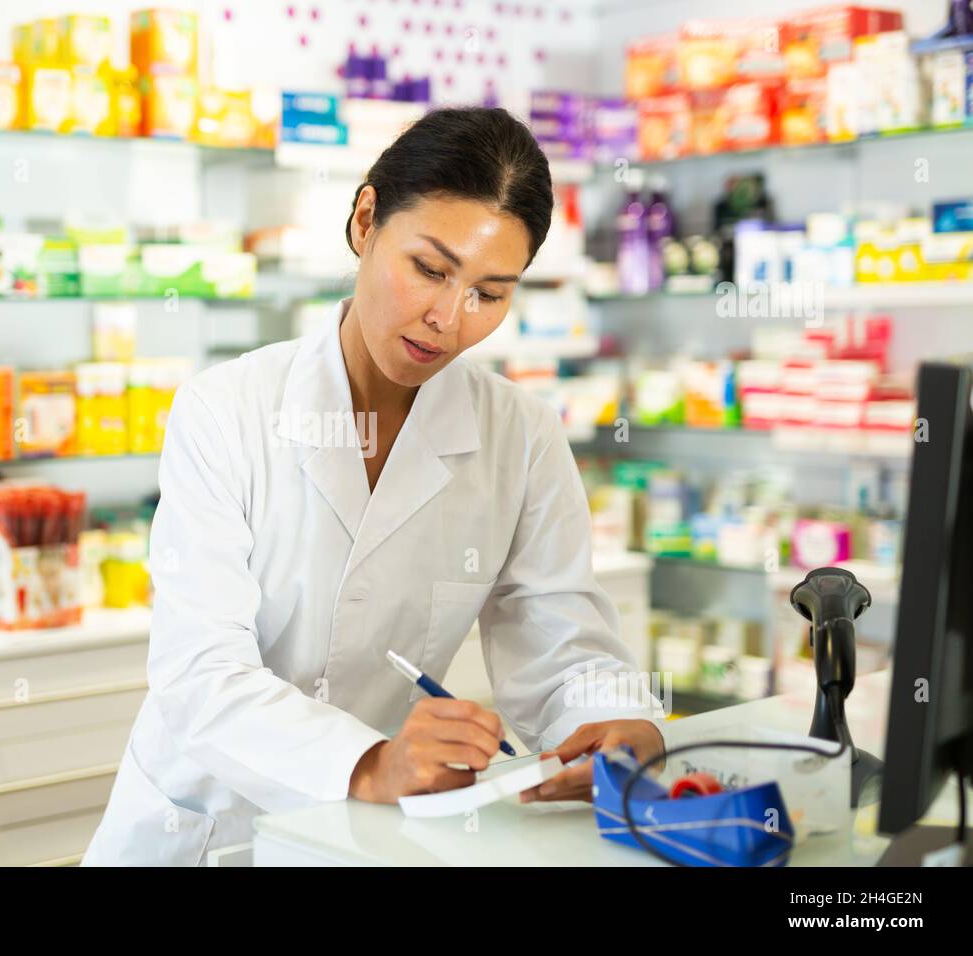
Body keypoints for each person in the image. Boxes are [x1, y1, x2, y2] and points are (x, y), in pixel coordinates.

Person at [82, 107, 666, 867]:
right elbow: (200, 676)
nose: (447, 319)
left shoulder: (520, 435)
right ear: (365, 220)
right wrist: (366, 763)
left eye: (490, 294)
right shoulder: (226, 408)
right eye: (430, 268)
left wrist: (620, 722)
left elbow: (562, 648)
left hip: (368, 838)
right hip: (200, 829)